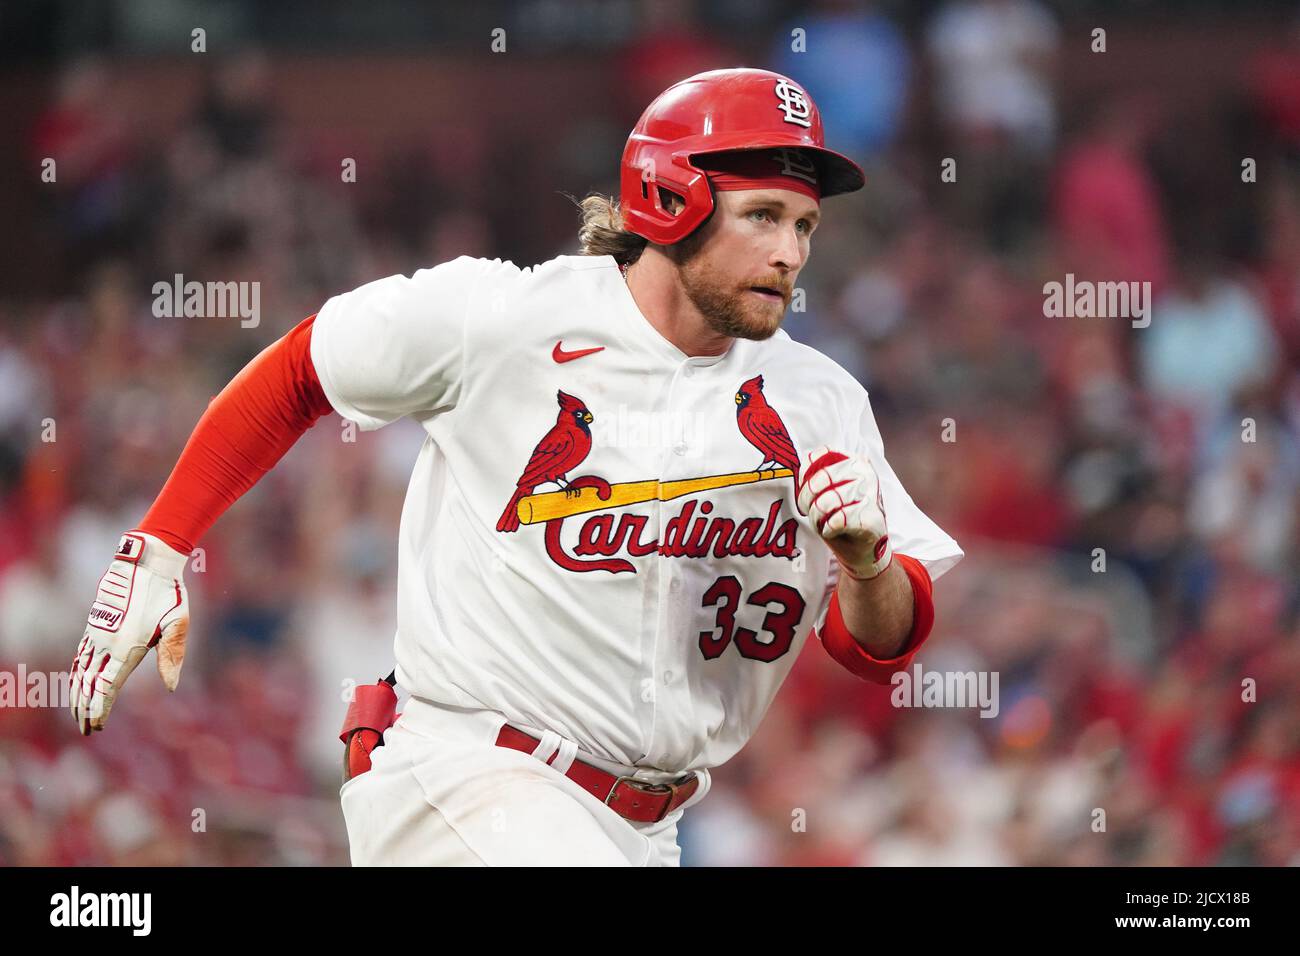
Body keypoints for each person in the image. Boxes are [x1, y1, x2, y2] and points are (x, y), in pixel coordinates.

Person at [69, 68, 963, 866]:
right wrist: (161, 545)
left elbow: (879, 645)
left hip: (648, 827)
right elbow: (306, 367)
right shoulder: (505, 318)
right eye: (763, 215)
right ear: (670, 199)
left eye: (805, 225)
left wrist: (867, 565)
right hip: (469, 775)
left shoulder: (819, 399)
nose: (791, 252)